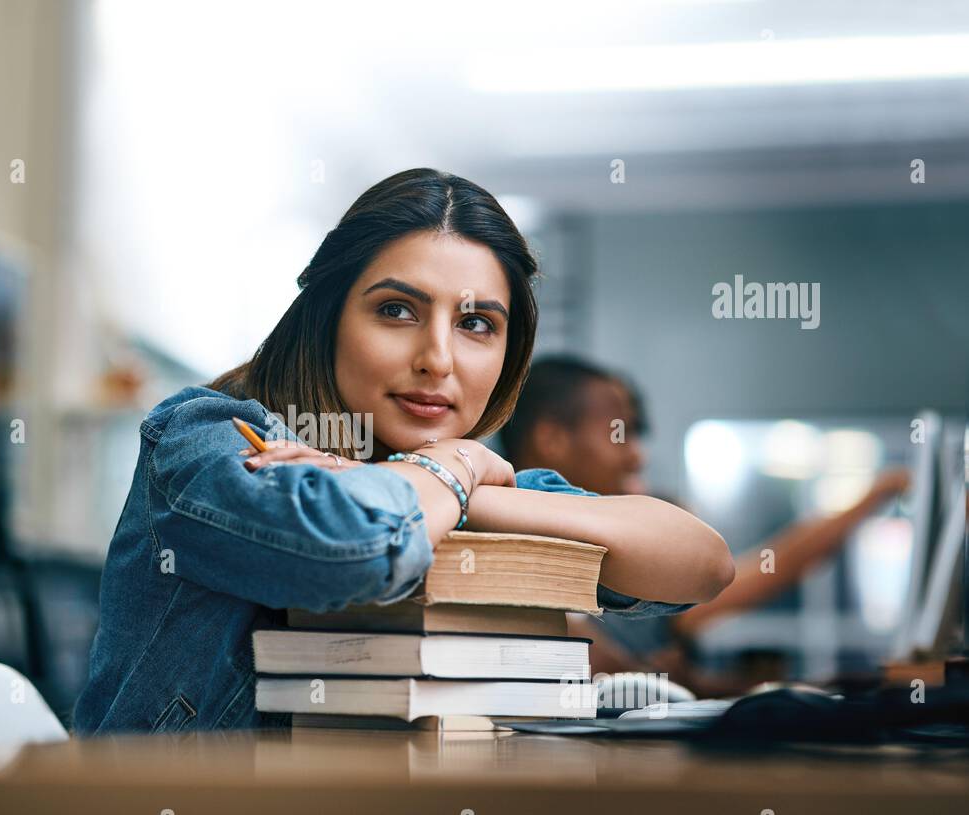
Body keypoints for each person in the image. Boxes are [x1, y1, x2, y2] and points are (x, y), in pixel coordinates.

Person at [71, 169, 735, 734]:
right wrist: (450, 467)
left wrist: (461, 482)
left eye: (476, 324)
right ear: (328, 316)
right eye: (396, 311)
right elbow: (355, 545)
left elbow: (700, 563)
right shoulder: (207, 436)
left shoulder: (462, 488)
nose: (437, 359)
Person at [499, 355, 911, 696]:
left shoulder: (627, 548)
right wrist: (880, 492)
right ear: (552, 438)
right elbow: (764, 571)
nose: (638, 457)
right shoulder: (512, 555)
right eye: (619, 433)